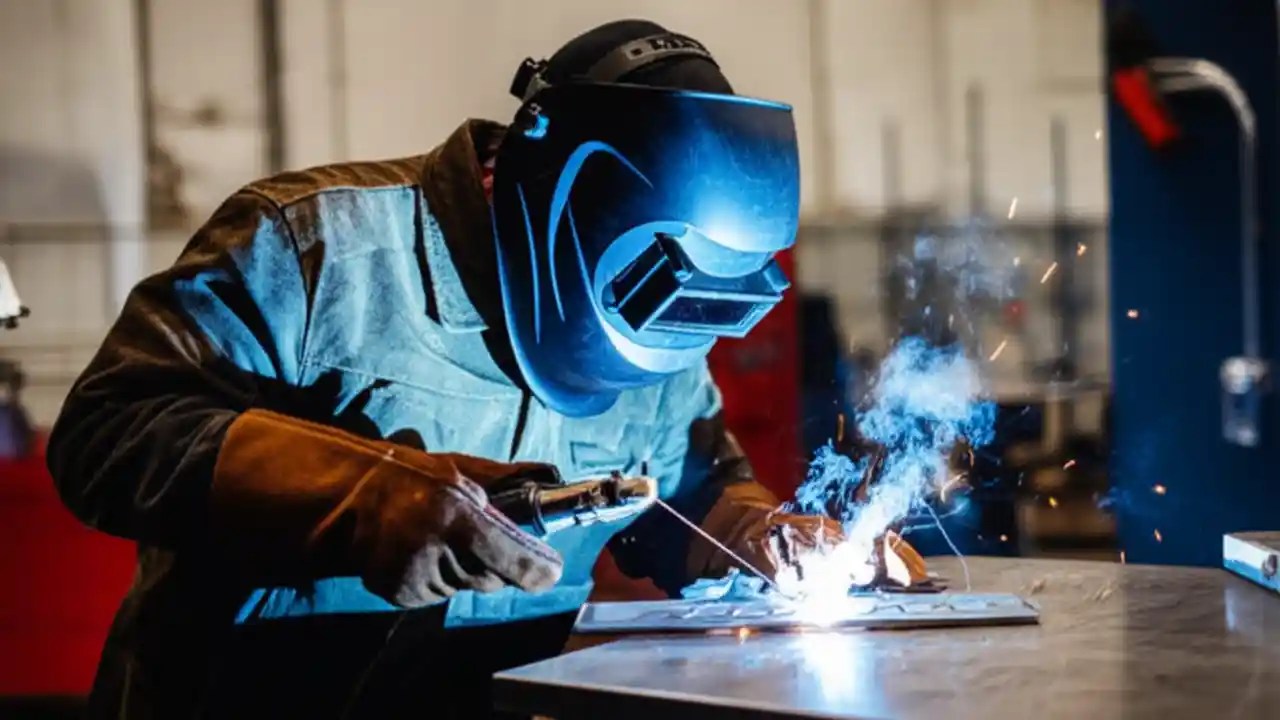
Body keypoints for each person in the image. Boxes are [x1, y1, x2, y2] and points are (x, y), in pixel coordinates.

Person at [48, 20, 843, 719]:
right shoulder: (317, 247)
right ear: (556, 196)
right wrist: (362, 494)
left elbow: (687, 494)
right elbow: (110, 428)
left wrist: (757, 534)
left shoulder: (671, 315)